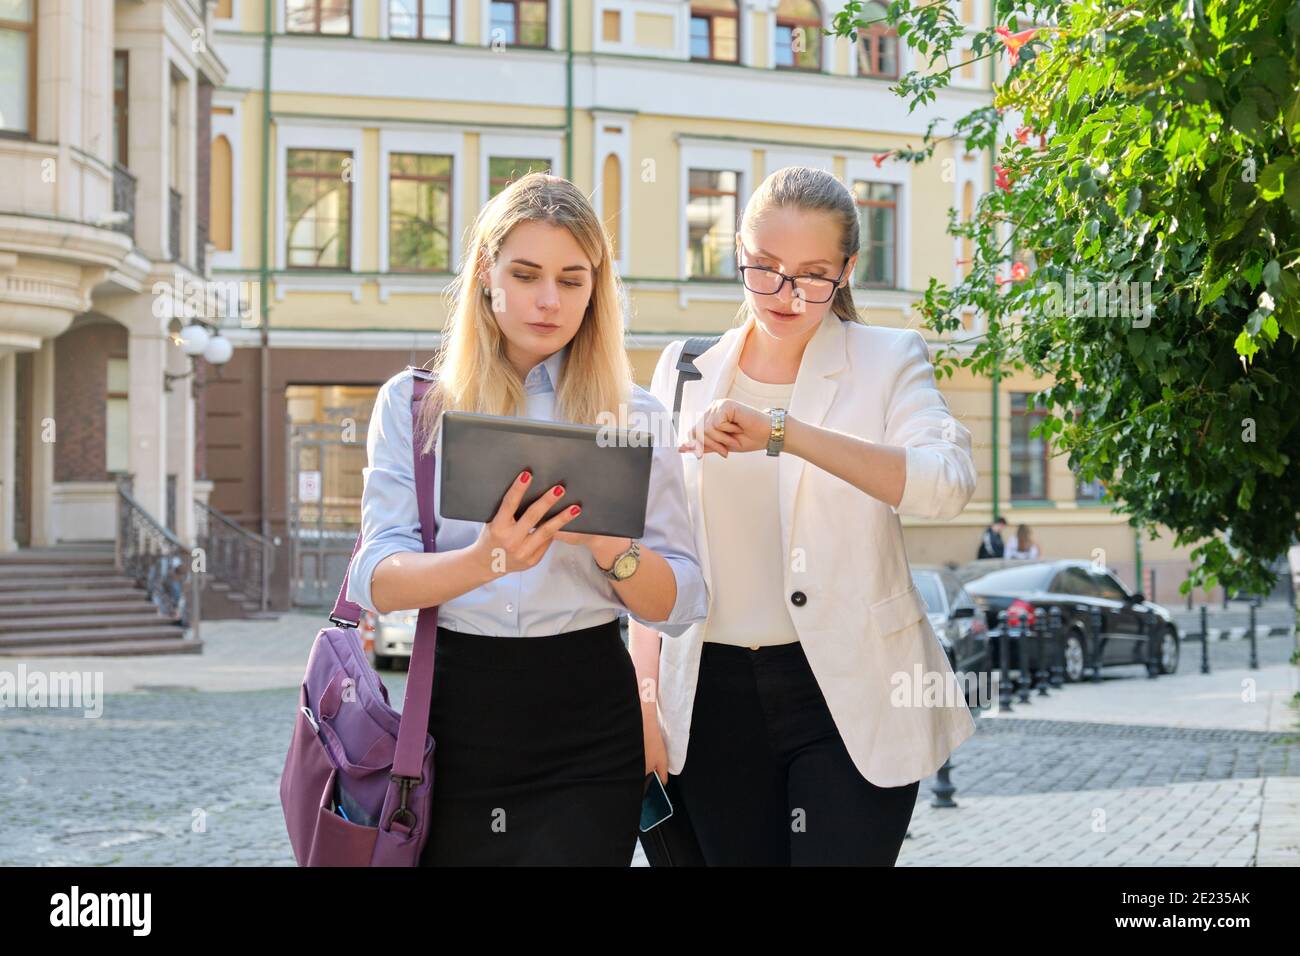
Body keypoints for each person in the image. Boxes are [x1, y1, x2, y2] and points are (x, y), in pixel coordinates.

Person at [345, 172, 708, 866]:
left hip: (587, 720)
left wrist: (611, 547)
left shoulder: (634, 416)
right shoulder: (414, 404)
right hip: (452, 717)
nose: (548, 300)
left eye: (573, 280)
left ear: (596, 289)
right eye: (526, 273)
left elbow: (685, 600)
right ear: (486, 275)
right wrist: (486, 560)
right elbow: (375, 580)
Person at [628, 166, 977, 866]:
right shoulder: (683, 370)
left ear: (848, 270)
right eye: (765, 269)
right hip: (708, 694)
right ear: (738, 253)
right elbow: (649, 541)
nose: (786, 294)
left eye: (814, 274)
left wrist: (782, 431)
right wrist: (644, 702)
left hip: (851, 692)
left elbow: (944, 484)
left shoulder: (887, 359)